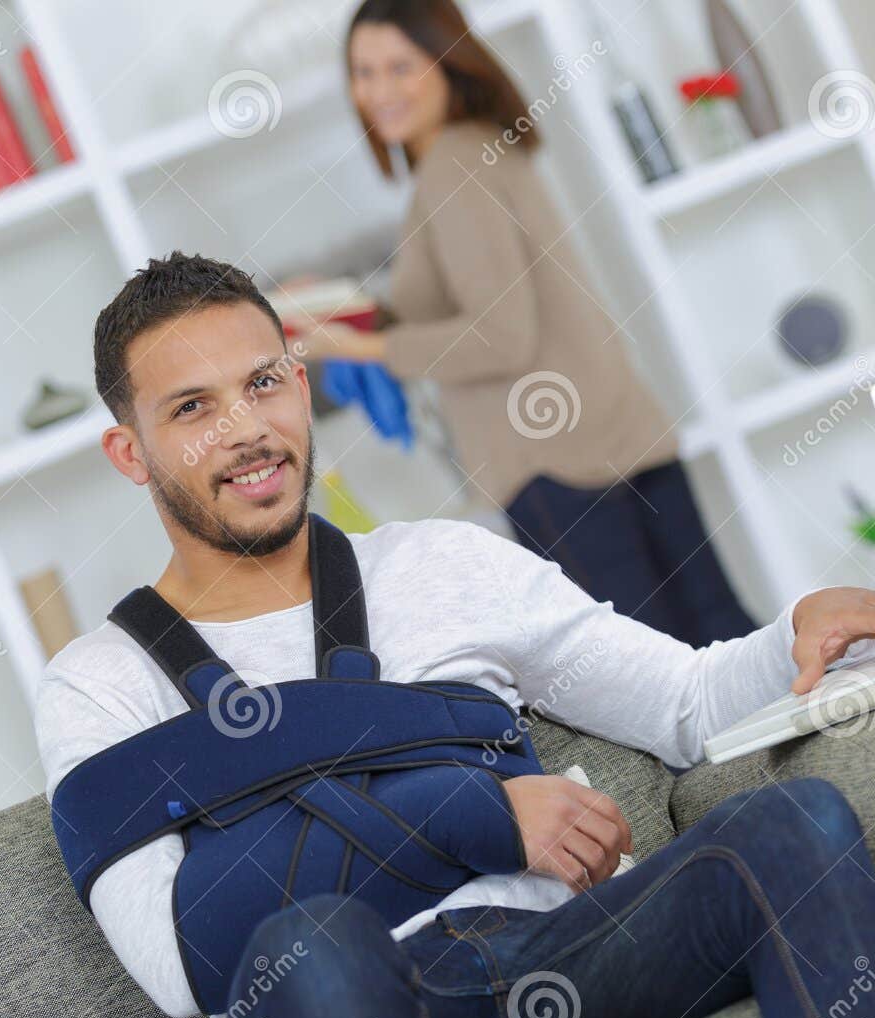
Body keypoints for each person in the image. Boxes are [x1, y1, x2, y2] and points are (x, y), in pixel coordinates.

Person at [36, 250, 875, 1018]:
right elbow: (178, 958)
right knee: (312, 948)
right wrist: (476, 812)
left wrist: (797, 632)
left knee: (795, 825)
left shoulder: (445, 562)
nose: (244, 428)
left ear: (302, 389)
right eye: (192, 408)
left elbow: (685, 705)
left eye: (263, 383)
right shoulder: (99, 684)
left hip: (556, 959)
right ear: (130, 452)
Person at [290, 0, 756, 647]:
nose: (378, 90)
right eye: (362, 72)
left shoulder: (450, 168)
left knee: (651, 672)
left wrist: (360, 345)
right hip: (617, 431)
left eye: (400, 66)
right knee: (722, 643)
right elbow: (481, 304)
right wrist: (358, 311)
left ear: (447, 63)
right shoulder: (482, 149)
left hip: (551, 461)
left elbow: (499, 335)